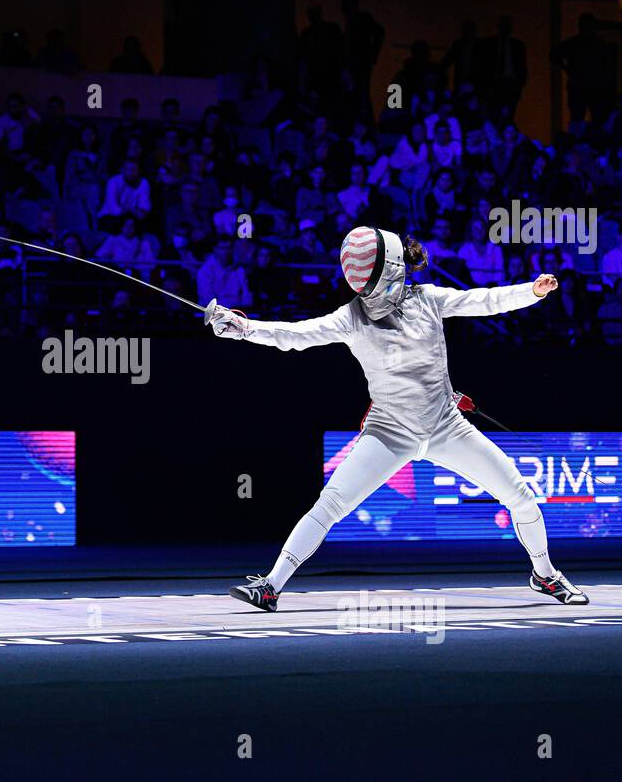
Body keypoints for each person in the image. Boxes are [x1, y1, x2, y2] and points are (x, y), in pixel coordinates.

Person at [208, 225, 588, 610]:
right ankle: (270, 586)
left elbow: (483, 301)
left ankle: (545, 576)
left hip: (446, 427)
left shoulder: (429, 299)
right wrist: (243, 328)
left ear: (392, 270)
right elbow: (294, 336)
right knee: (330, 504)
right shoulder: (352, 317)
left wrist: (532, 291)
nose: (368, 293)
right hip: (388, 432)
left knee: (522, 498)